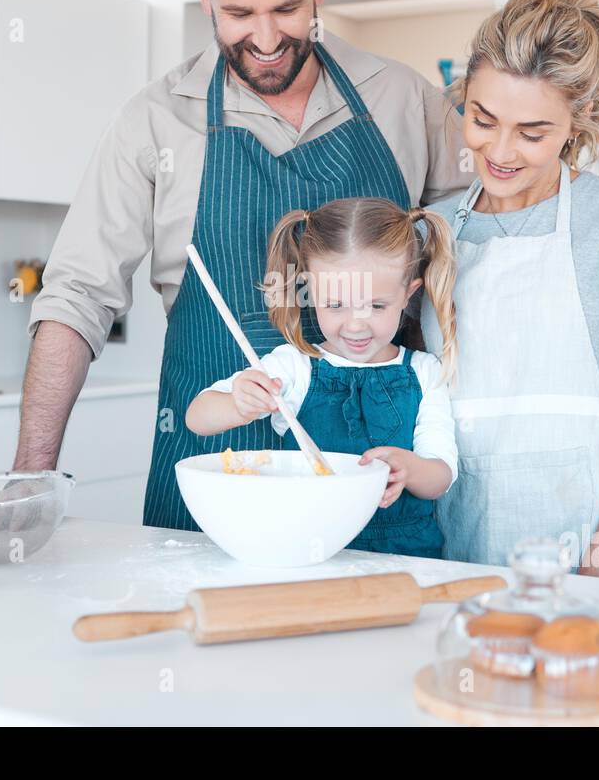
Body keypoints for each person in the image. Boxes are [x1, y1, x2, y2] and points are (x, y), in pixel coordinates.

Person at [14, 0, 599, 538]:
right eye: (238, 14)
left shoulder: (402, 100)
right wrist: (30, 478)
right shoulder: (155, 123)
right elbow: (74, 300)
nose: (267, 37)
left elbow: (512, 187)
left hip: (365, 490)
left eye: (285, 9)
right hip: (214, 481)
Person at [422, 0, 599, 581]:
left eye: (533, 133)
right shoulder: (431, 230)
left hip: (585, 550)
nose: (502, 151)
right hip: (447, 545)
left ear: (580, 119)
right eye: (482, 120)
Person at [186, 198, 459, 556]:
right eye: (334, 305)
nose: (356, 323)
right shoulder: (295, 367)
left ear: (408, 293)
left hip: (404, 555)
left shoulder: (426, 373)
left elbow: (441, 476)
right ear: (310, 293)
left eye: (377, 306)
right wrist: (239, 403)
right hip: (304, 547)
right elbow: (197, 417)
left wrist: (410, 470)